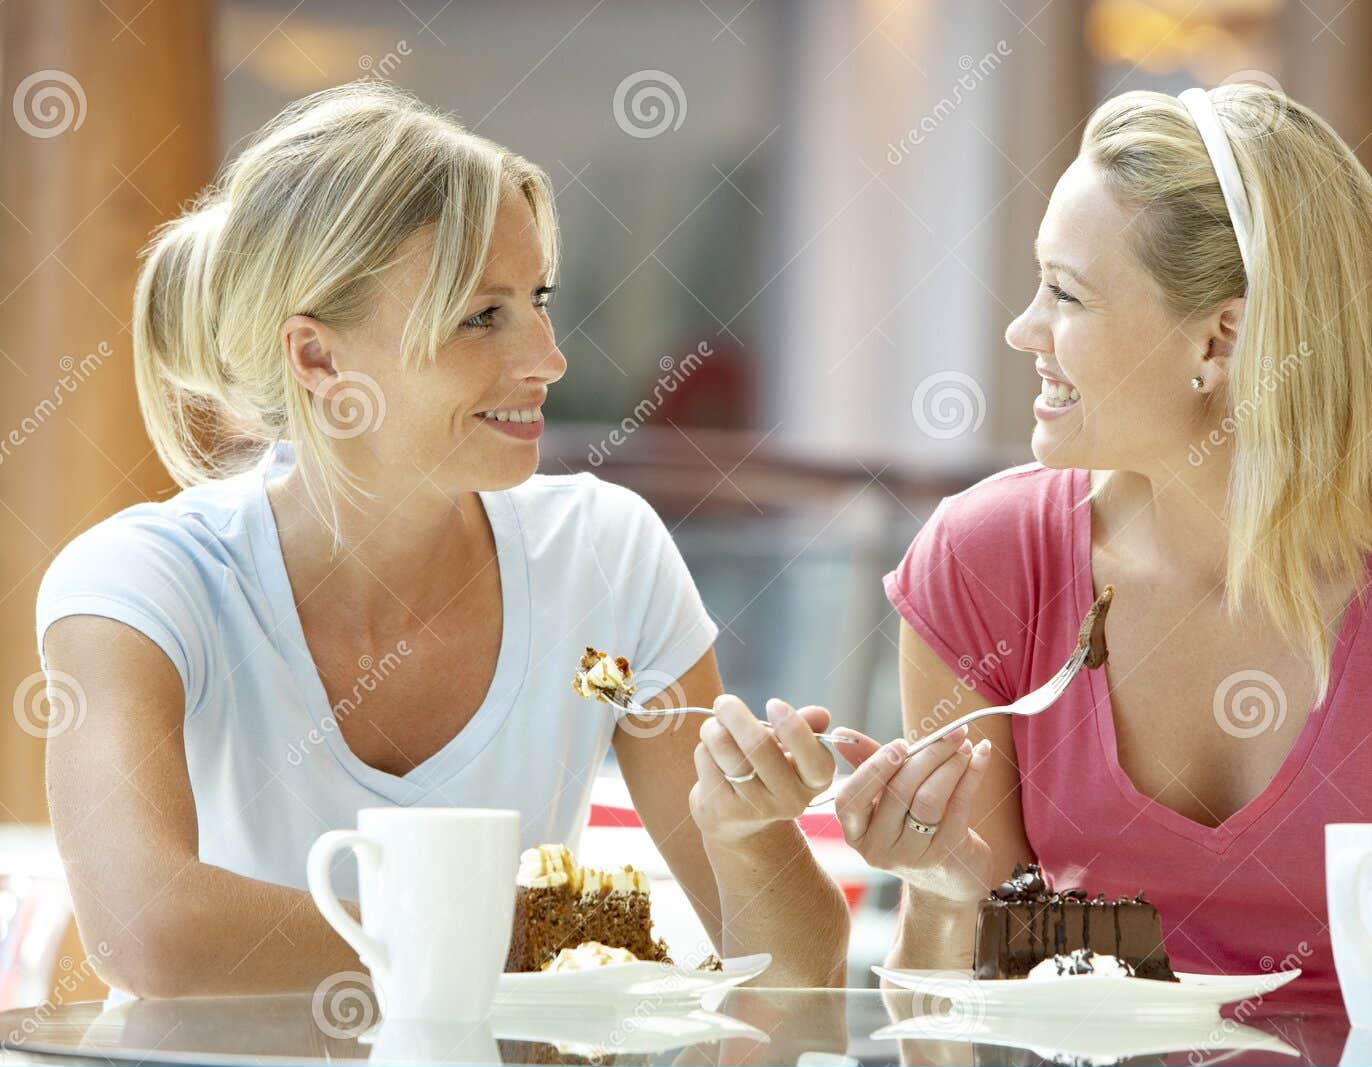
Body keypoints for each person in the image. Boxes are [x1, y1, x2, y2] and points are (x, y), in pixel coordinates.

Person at [693, 85, 1372, 1042]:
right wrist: (944, 890)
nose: (1024, 329)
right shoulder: (985, 566)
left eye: (1066, 293)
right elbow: (949, 1055)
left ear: (1221, 338)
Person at [36, 82, 846, 998]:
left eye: (537, 299)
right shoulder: (144, 586)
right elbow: (148, 934)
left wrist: (751, 835)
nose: (548, 355)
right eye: (481, 315)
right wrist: (532, 932)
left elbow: (796, 984)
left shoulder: (602, 574)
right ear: (318, 358)